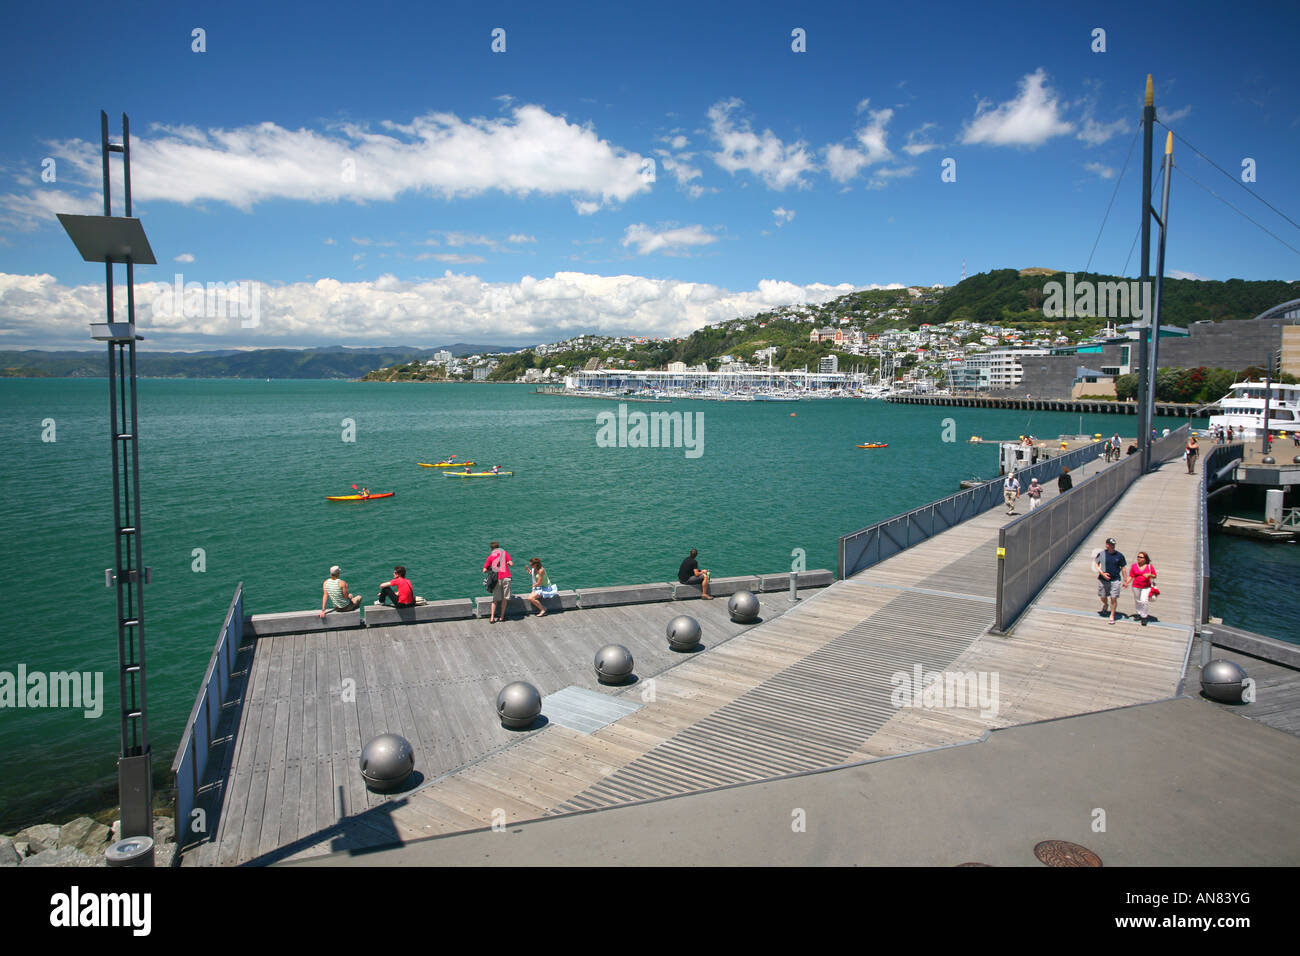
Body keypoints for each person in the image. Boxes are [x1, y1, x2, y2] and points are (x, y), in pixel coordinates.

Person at [1092, 537, 1129, 624]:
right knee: (1102, 596)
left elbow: (1123, 568)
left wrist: (1125, 580)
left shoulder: (1119, 556)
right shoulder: (1102, 554)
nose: (1112, 546)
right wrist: (1102, 573)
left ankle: (1112, 615)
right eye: (1110, 545)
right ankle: (1105, 604)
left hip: (1115, 579)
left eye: (1113, 545)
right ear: (1107, 545)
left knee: (1113, 598)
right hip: (1103, 579)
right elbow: (1097, 564)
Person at [483, 541, 513, 623]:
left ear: (492, 549)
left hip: (496, 579)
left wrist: (491, 568)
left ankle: (492, 618)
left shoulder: (490, 557)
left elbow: (484, 570)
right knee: (504, 599)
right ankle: (501, 617)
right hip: (506, 577)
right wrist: (507, 562)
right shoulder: (504, 553)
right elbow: (511, 563)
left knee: (495, 600)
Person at [1129, 551, 1157, 627]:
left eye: (1141, 557)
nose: (1138, 558)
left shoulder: (1149, 566)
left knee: (1144, 601)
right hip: (1136, 586)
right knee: (1137, 600)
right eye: (1138, 556)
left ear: (1145, 559)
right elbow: (1131, 575)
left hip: (1146, 587)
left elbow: (1154, 576)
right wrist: (1126, 582)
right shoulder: (1134, 566)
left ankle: (1144, 617)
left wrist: (1149, 575)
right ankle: (1139, 613)